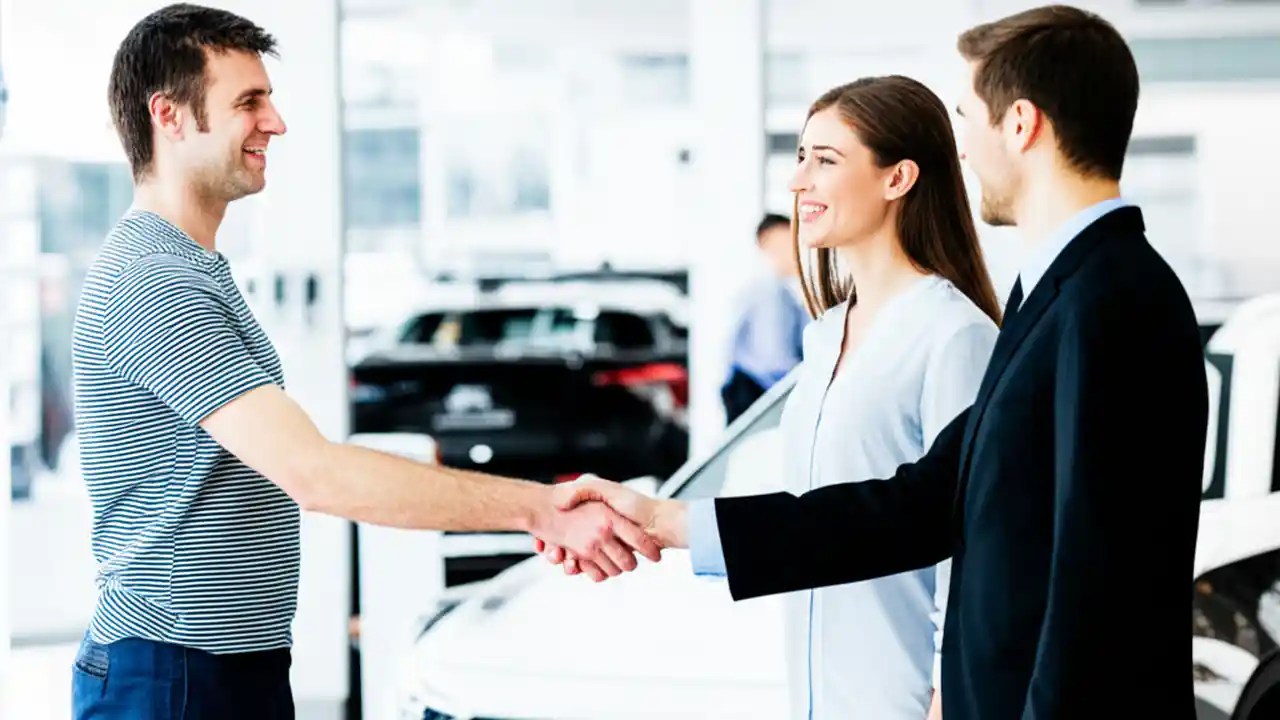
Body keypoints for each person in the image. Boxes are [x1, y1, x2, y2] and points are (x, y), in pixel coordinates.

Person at [540, 5, 1209, 719]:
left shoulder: (1112, 301)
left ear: (1020, 125)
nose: (964, 149)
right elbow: (918, 505)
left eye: (967, 117)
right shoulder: (1053, 294)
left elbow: (1097, 589)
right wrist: (671, 522)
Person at [70, 5, 656, 718]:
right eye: (248, 101)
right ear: (169, 115)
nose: (275, 122)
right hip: (173, 677)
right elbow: (313, 474)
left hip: (220, 666)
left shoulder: (193, 269)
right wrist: (542, 509)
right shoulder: (153, 281)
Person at [544, 76, 1002, 720]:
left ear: (898, 178)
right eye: (799, 158)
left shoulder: (955, 336)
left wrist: (948, 695)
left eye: (825, 160)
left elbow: (970, 541)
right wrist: (658, 517)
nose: (798, 183)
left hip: (908, 702)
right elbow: (812, 516)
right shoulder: (824, 337)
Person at [720, 213, 808, 424]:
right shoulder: (770, 293)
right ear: (764, 247)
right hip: (758, 397)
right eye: (784, 244)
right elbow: (776, 363)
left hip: (753, 393)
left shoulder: (777, 291)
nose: (795, 251)